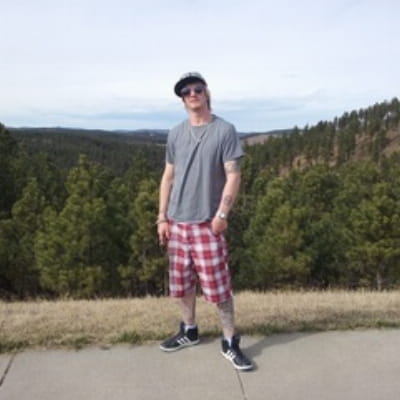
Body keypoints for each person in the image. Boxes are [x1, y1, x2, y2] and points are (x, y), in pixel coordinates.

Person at [157, 72, 253, 371]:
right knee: (182, 285)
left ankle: (230, 341)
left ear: (206, 93)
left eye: (197, 89)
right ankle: (189, 330)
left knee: (219, 288)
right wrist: (162, 217)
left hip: (207, 224)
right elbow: (168, 177)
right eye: (186, 91)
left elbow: (233, 175)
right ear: (182, 99)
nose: (192, 94)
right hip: (177, 223)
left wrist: (222, 215)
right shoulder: (175, 133)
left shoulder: (224, 130)